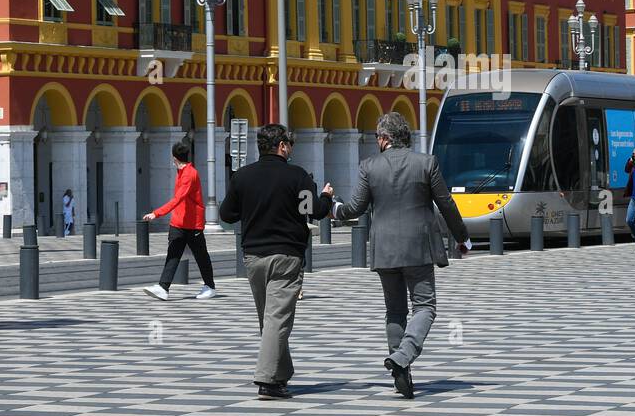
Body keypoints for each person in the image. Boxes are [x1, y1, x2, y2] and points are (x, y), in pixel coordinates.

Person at [334, 112, 471, 400]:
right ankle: (404, 355)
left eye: (376, 137)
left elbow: (355, 208)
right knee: (425, 307)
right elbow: (446, 204)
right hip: (418, 248)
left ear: (384, 138)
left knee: (395, 311)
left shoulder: (369, 167)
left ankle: (400, 369)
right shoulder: (426, 163)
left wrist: (335, 209)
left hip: (384, 249)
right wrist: (462, 238)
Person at [219, 123, 333, 400]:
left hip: (253, 257)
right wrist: (326, 197)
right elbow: (312, 211)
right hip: (286, 256)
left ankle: (280, 375)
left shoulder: (242, 177)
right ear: (282, 145)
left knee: (270, 319)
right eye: (290, 145)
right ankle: (267, 380)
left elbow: (227, 214)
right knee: (277, 319)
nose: (291, 149)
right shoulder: (297, 176)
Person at [142, 142, 216, 301]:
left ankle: (209, 286)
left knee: (201, 255)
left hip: (192, 223)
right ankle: (163, 287)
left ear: (174, 158)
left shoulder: (190, 174)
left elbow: (178, 198)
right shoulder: (181, 171)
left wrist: (156, 213)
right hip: (179, 222)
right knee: (173, 254)